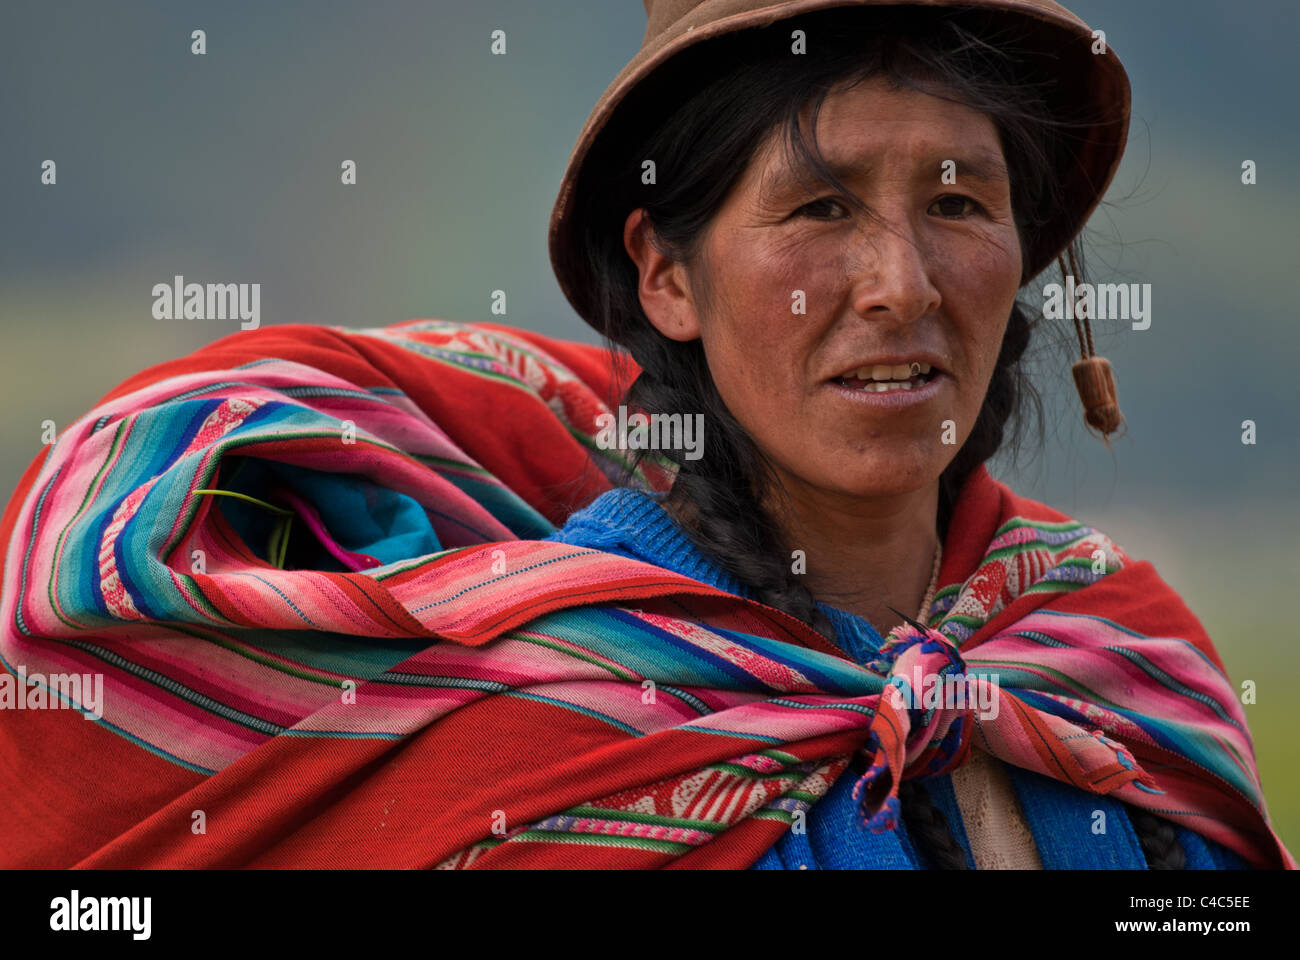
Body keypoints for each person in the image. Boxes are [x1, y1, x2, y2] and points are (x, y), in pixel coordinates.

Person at [0, 0, 1292, 870]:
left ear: (1025, 257)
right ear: (667, 276)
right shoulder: (537, 732)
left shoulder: (1121, 675)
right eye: (820, 210)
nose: (902, 281)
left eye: (960, 201)